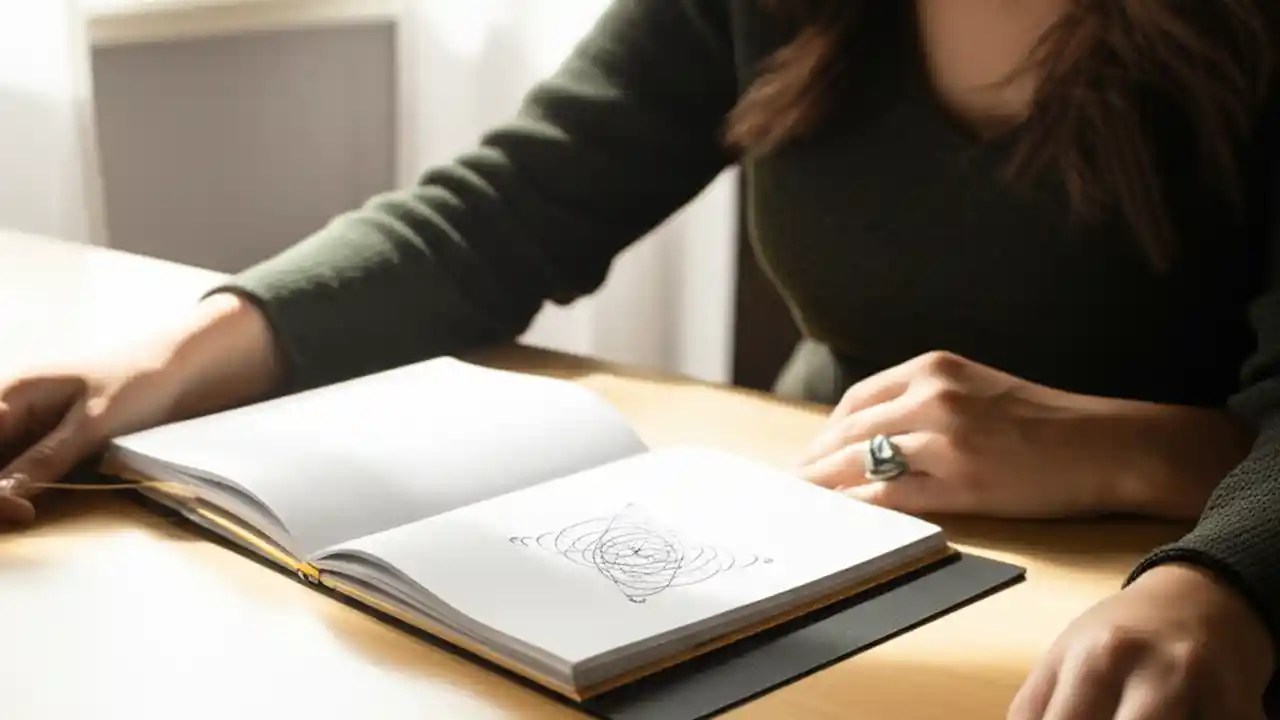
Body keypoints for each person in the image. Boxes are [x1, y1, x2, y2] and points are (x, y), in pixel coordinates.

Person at [2, 0, 1278, 716]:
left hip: (1156, 582)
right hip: (818, 530)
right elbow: (500, 211)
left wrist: (1189, 512)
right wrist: (153, 368)